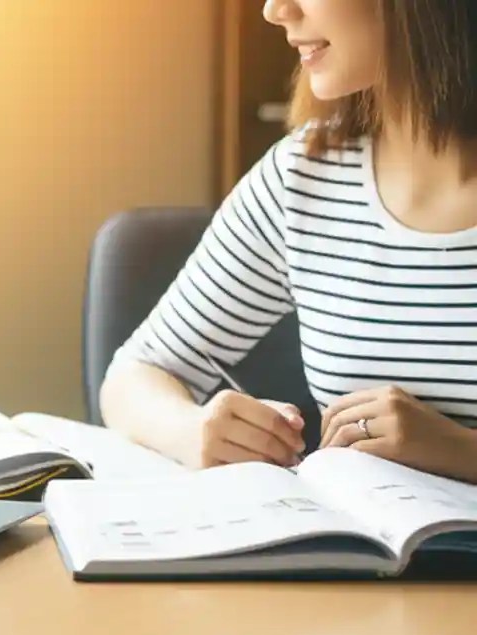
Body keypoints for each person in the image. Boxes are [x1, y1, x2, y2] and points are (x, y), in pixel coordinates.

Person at [100, 0, 477, 483]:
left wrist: (461, 450)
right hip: (365, 557)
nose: (275, 10)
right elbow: (135, 373)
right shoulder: (304, 177)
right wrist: (194, 431)